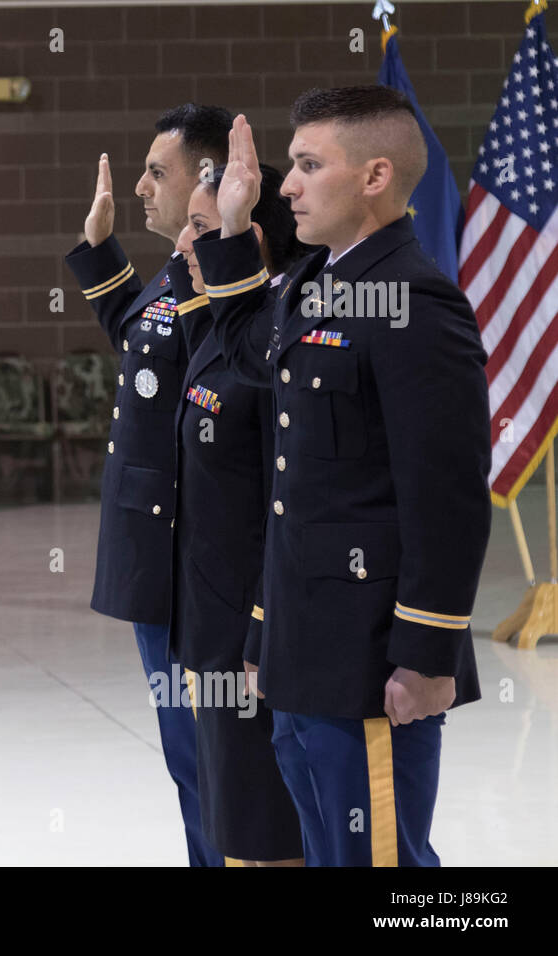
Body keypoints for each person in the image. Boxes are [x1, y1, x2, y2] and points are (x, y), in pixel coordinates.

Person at [191, 87, 492, 866]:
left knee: (380, 861)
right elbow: (254, 360)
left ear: (375, 175)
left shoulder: (416, 304)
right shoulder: (312, 283)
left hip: (370, 659)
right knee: (327, 852)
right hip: (303, 647)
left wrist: (428, 655)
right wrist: (232, 227)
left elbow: (447, 497)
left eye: (307, 164)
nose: (285, 185)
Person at [64, 104, 232, 866]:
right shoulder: (175, 271)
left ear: (206, 177)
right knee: (186, 755)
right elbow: (146, 341)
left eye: (155, 173)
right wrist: (100, 251)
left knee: (210, 761)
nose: (139, 187)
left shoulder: (223, 268)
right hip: (152, 557)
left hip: (188, 558)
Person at [169, 162, 313, 866]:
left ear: (245, 235)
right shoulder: (228, 333)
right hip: (210, 618)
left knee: (266, 825)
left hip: (251, 625)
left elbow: (283, 501)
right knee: (232, 818)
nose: (182, 246)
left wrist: (260, 622)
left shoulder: (274, 342)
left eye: (198, 229)